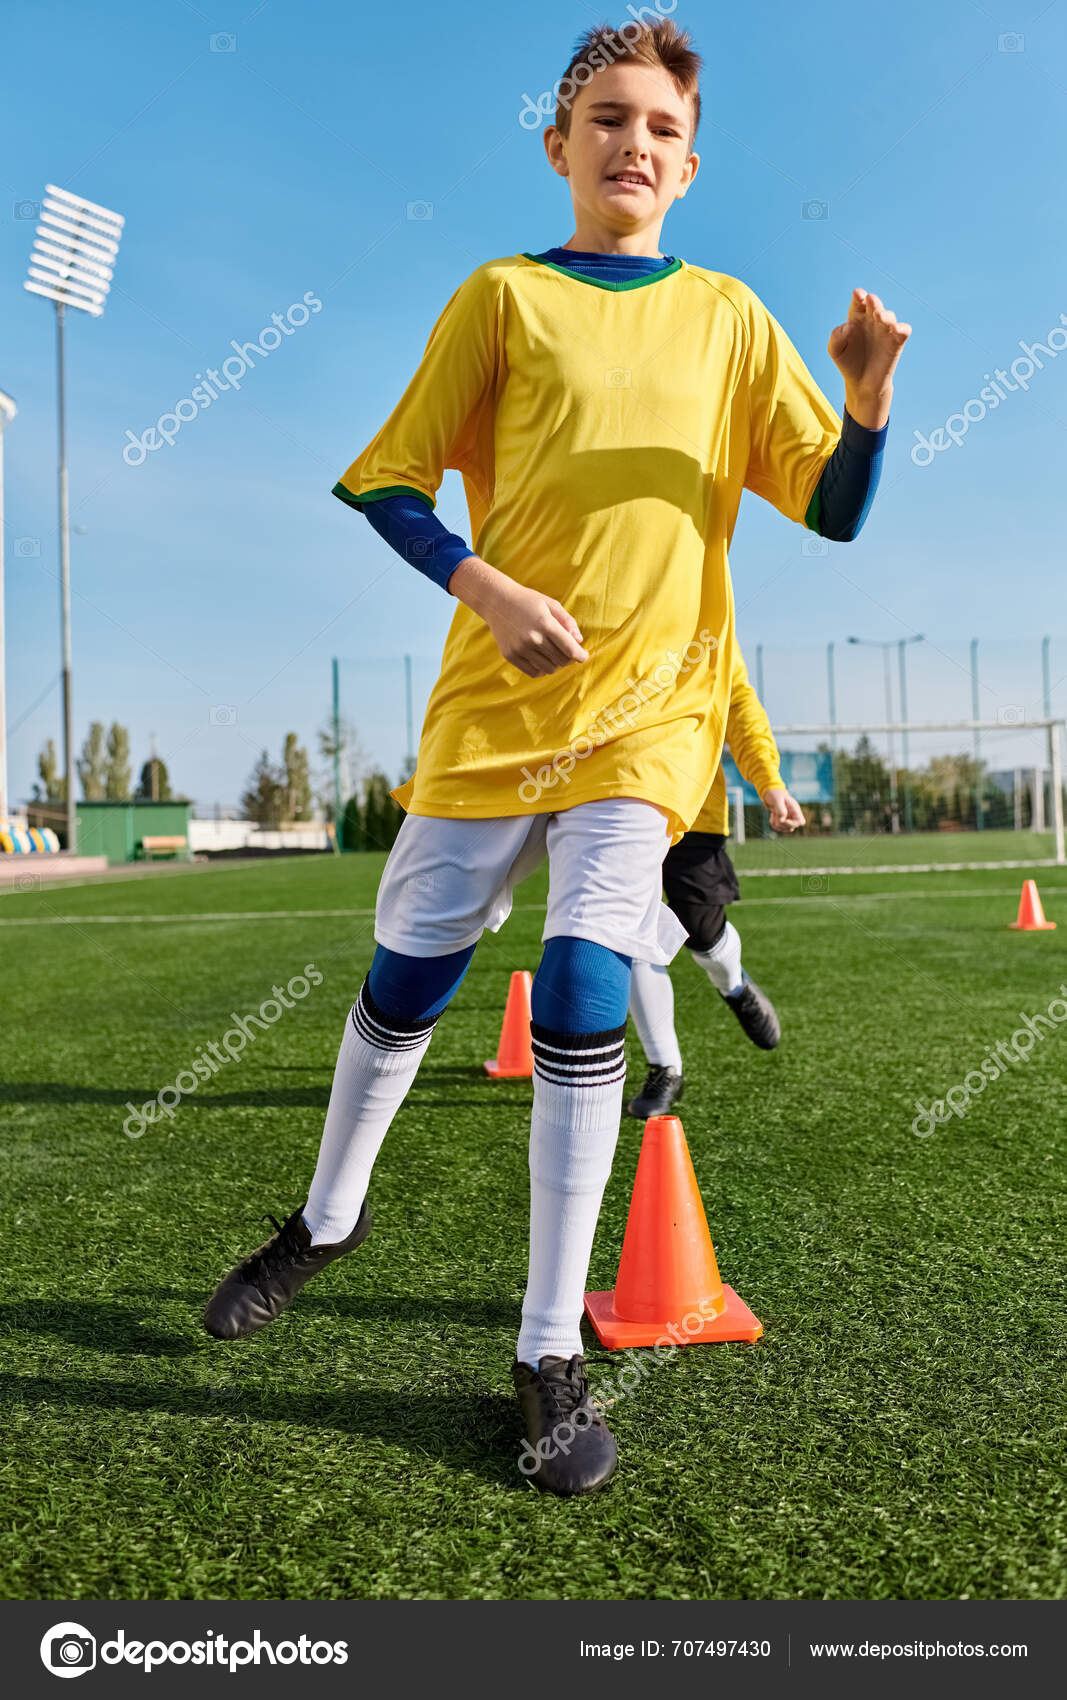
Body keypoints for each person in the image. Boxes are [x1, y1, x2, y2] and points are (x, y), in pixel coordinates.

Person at [202, 17, 908, 1497]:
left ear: (689, 161)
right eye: (603, 119)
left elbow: (830, 513)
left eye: (657, 125)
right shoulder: (501, 297)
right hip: (487, 717)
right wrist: (485, 586)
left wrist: (861, 403)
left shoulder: (724, 316)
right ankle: (329, 1220)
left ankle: (541, 1351)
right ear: (558, 144)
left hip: (648, 721)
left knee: (590, 980)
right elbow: (386, 481)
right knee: (408, 979)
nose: (630, 143)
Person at [627, 646, 805, 1119]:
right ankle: (666, 1067)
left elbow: (739, 705)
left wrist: (769, 781)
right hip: (615, 797)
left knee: (702, 931)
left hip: (693, 803)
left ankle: (734, 985)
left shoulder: (708, 622)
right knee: (631, 930)